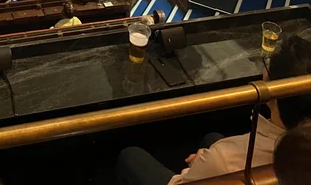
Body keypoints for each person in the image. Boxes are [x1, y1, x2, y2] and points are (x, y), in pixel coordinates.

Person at [116, 34, 311, 185]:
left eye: (268, 66)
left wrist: (200, 166)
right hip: (226, 162)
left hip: (209, 171)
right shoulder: (300, 141)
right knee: (212, 138)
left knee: (130, 156)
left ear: (274, 93)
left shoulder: (222, 158)